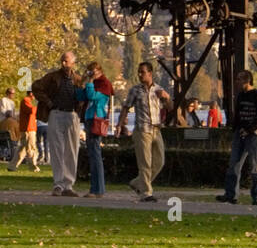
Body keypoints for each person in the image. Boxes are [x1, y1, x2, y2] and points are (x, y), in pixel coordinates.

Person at [118, 61, 171, 202]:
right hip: (142, 129)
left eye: (143, 72)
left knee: (160, 161)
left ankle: (137, 183)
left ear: (150, 73)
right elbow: (126, 107)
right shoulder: (135, 90)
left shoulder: (158, 89)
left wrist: (166, 97)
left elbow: (169, 107)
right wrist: (120, 124)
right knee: (145, 163)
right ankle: (146, 192)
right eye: (139, 72)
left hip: (156, 129)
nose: (140, 74)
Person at [32, 51, 82, 197]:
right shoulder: (53, 77)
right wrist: (48, 102)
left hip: (72, 114)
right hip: (56, 113)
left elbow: (83, 95)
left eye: (67, 61)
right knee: (57, 149)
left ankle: (68, 184)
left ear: (73, 63)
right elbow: (36, 87)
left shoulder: (77, 79)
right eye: (62, 61)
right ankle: (58, 184)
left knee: (72, 150)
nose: (64, 64)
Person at [218, 69, 257, 205]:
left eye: (239, 79)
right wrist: (235, 130)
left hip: (254, 135)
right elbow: (238, 114)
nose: (237, 82)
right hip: (240, 134)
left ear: (246, 80)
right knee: (234, 165)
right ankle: (231, 195)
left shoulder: (256, 95)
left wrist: (250, 129)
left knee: (256, 167)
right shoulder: (240, 96)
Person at [77, 61, 114, 197]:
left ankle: (98, 189)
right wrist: (82, 84)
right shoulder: (92, 84)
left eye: (92, 71)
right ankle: (96, 188)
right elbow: (81, 97)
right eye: (89, 71)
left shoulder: (104, 84)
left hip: (96, 119)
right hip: (88, 118)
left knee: (95, 154)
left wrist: (90, 83)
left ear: (99, 70)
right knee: (92, 154)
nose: (91, 74)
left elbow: (93, 96)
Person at [10, 90, 41, 171]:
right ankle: (33, 166)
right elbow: (32, 111)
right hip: (28, 128)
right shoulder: (26, 101)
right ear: (30, 93)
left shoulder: (30, 101)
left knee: (23, 148)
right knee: (31, 147)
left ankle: (12, 166)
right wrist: (39, 106)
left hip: (30, 127)